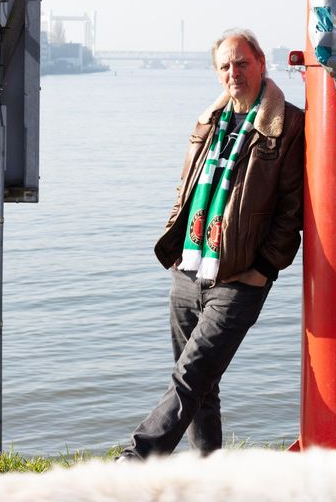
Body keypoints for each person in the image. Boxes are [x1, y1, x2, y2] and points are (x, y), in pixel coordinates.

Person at [120, 28, 304, 459]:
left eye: (242, 62)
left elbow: (291, 210)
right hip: (189, 268)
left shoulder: (288, 124)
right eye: (225, 65)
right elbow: (185, 190)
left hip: (240, 277)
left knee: (190, 375)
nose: (234, 72)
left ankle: (138, 457)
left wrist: (265, 269)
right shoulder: (209, 121)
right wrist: (176, 240)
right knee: (201, 386)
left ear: (261, 63)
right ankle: (208, 475)